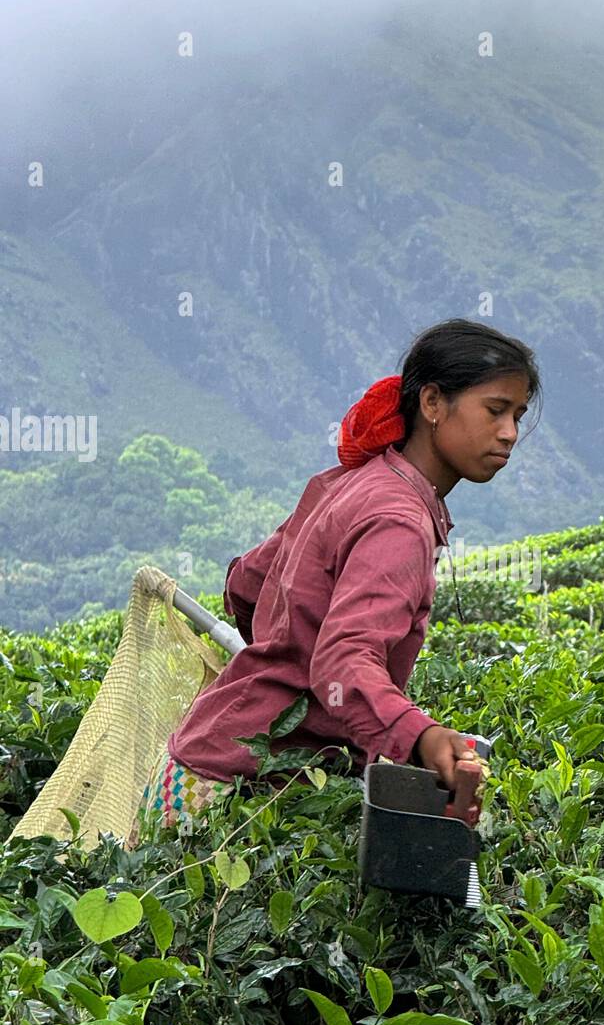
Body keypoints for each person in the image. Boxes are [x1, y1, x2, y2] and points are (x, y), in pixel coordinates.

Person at [137, 317, 542, 834]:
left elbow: (246, 584)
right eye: (495, 411)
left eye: (518, 415)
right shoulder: (398, 520)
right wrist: (419, 734)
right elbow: (345, 657)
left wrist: (287, 655)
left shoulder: (353, 482)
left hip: (191, 767)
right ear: (434, 403)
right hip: (235, 795)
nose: (509, 433)